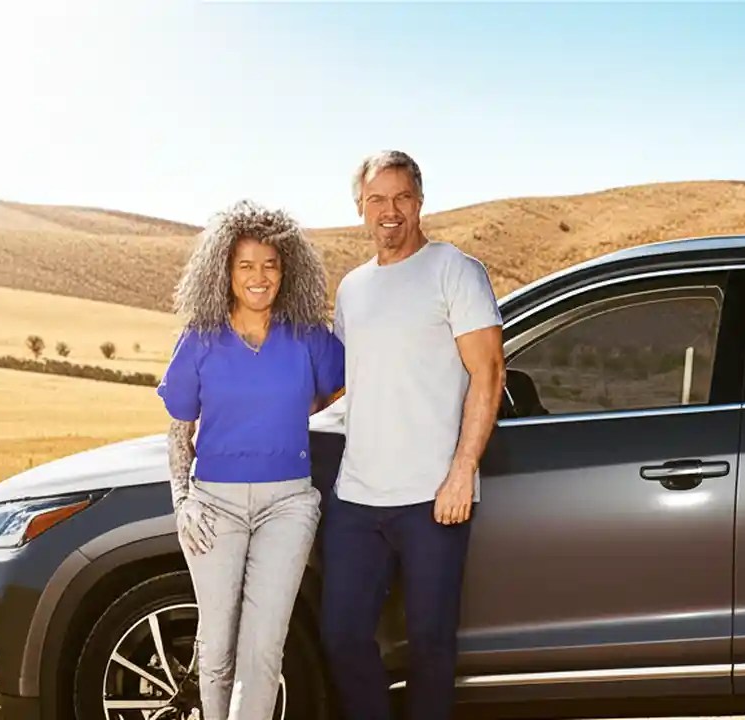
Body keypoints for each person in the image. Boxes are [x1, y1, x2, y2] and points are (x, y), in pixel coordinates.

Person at [320, 150, 505, 720]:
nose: (390, 211)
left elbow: (489, 372)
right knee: (341, 635)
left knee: (430, 645)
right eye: (377, 199)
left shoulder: (455, 270)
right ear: (360, 207)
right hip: (357, 498)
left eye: (402, 197)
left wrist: (462, 472)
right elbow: (341, 383)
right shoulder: (352, 288)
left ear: (420, 202)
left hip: (433, 498)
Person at [157, 200, 345, 720]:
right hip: (212, 508)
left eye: (270, 265)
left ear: (287, 271)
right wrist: (182, 502)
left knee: (262, 650)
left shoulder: (307, 335)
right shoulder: (200, 338)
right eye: (246, 265)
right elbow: (179, 427)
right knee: (217, 651)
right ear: (225, 270)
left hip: (288, 505)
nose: (259, 277)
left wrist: (295, 409)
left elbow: (341, 385)